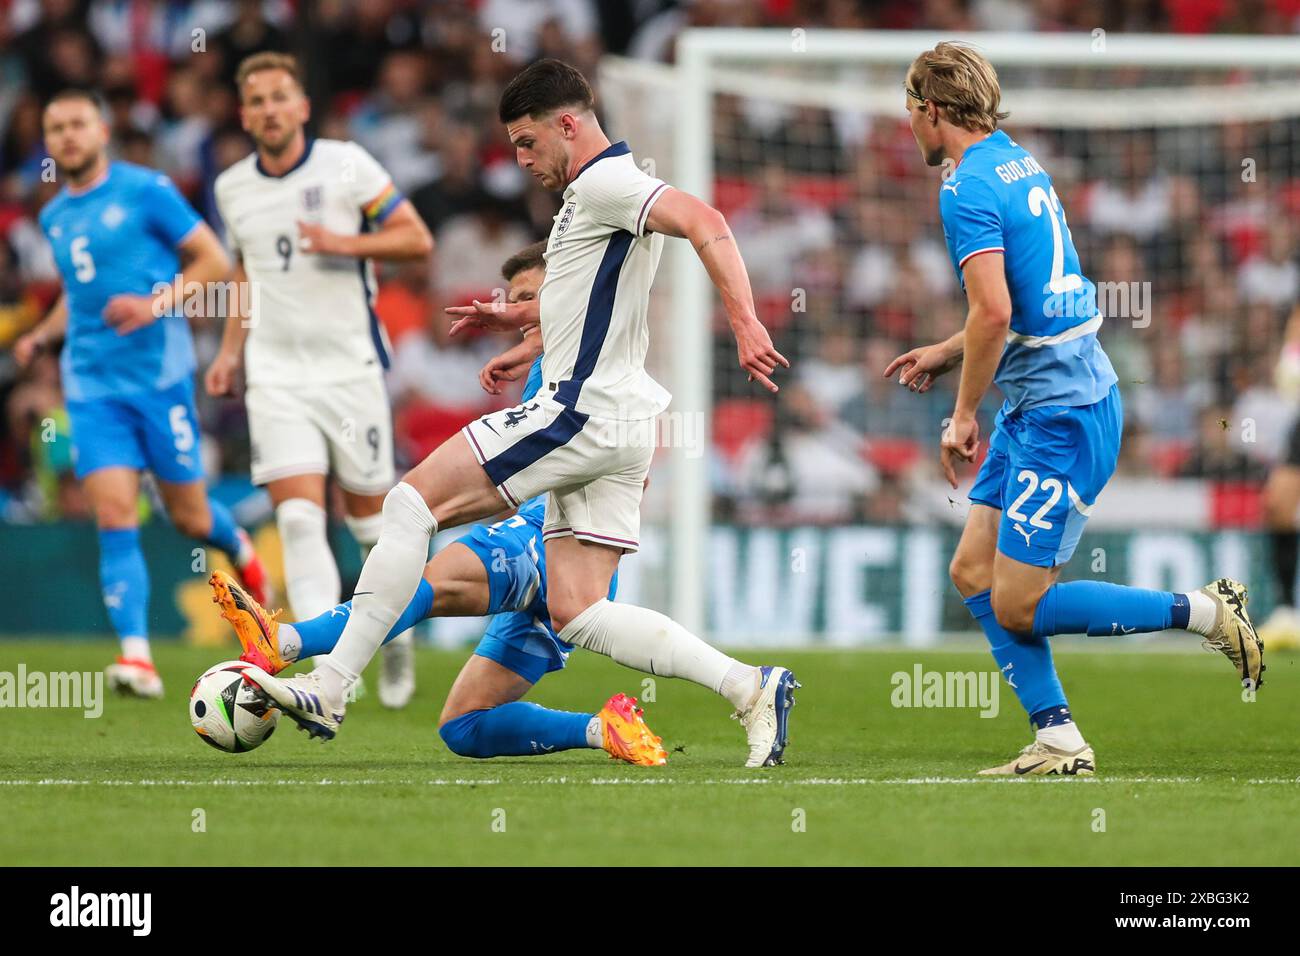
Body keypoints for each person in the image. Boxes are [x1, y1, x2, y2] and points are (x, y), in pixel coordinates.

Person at [242, 59, 800, 768]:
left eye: (527, 143)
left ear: (567, 124)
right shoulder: (590, 198)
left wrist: (745, 321)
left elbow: (705, 219)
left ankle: (329, 685)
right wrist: (521, 322)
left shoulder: (604, 183)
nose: (521, 161)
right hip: (623, 421)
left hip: (578, 412)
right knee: (580, 611)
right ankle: (750, 686)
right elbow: (594, 293)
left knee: (410, 504)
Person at [886, 42, 1264, 776]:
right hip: (1046, 401)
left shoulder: (965, 188)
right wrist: (947, 351)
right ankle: (1057, 738)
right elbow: (1025, 305)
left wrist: (962, 415)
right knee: (973, 569)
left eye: (909, 110)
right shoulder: (1016, 161)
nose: (907, 125)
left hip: (1062, 416)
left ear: (930, 109)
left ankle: (1207, 612)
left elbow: (994, 313)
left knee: (1020, 603)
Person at [210, 240, 665, 765]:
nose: (517, 312)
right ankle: (605, 728)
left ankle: (287, 642)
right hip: (576, 571)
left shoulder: (594, 369)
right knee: (463, 727)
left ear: (567, 292)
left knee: (419, 581)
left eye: (529, 298)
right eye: (513, 299)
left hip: (547, 540)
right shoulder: (558, 363)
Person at [12, 90, 269, 698]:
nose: (68, 135)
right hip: (91, 386)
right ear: (48, 142)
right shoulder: (55, 215)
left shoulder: (146, 189)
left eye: (78, 123)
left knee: (190, 517)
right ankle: (137, 659)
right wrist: (41, 335)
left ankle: (241, 548)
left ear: (102, 130)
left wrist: (155, 305)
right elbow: (79, 298)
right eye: (56, 127)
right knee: (113, 514)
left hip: (158, 379)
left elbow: (213, 260)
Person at [207, 53, 434, 709]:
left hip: (348, 369)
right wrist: (229, 351)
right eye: (257, 101)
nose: (270, 110)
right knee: (300, 519)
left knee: (370, 529)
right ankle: (325, 672)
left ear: (303, 106)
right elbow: (245, 271)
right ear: (244, 115)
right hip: (275, 375)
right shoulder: (232, 187)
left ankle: (393, 637)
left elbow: (415, 239)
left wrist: (344, 244)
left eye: (281, 96)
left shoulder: (346, 164)